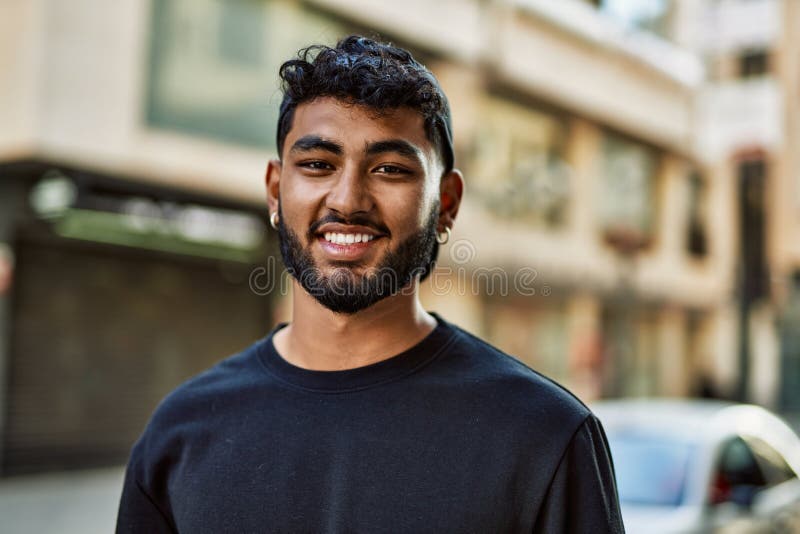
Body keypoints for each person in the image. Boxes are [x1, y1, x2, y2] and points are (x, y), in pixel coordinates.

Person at [116, 35, 624, 533]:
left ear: (446, 204)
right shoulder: (179, 435)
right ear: (275, 191)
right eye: (318, 164)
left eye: (389, 169)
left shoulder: (545, 437)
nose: (348, 199)